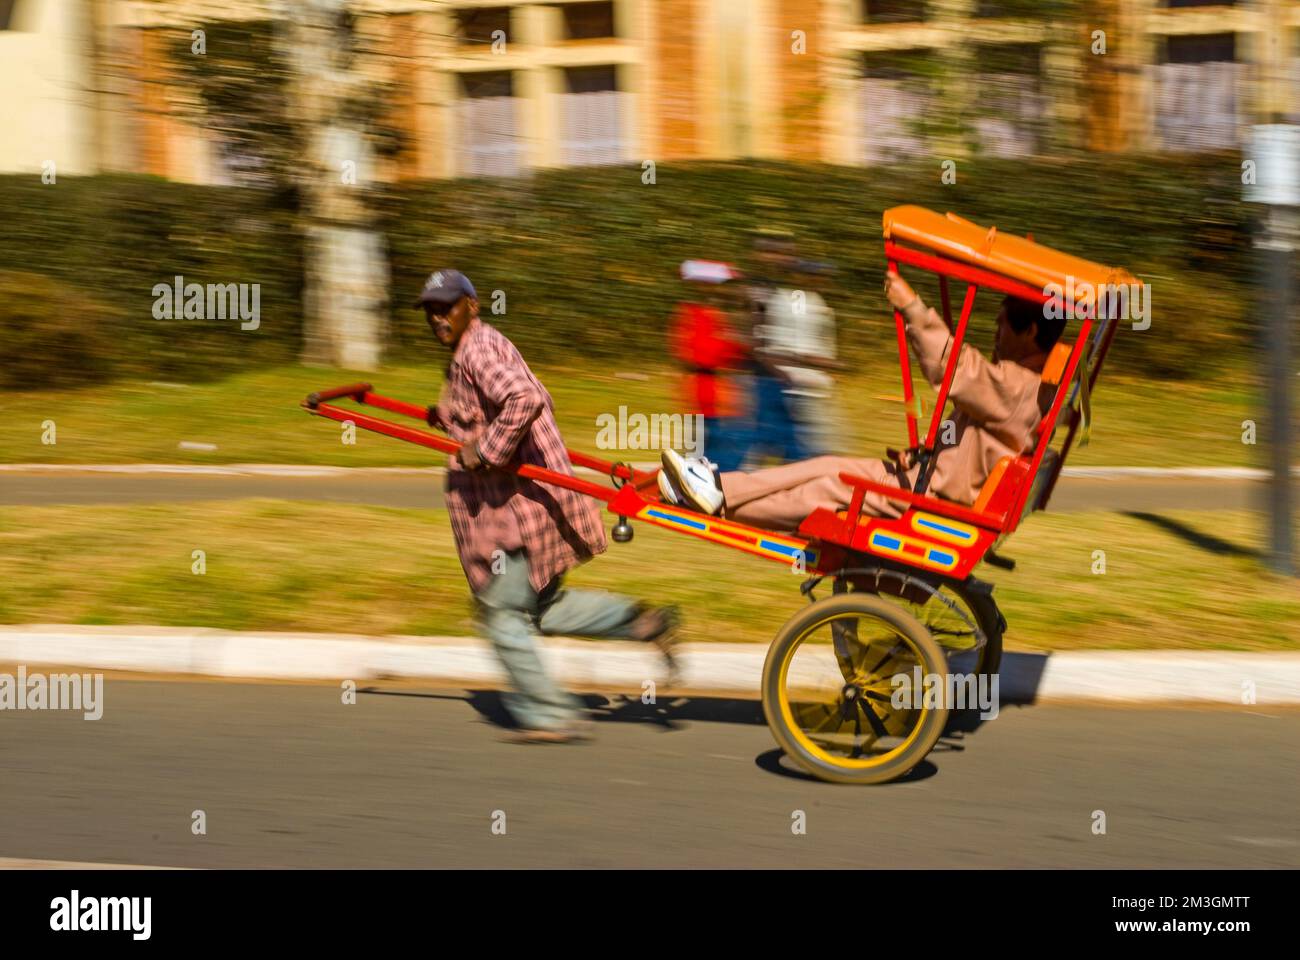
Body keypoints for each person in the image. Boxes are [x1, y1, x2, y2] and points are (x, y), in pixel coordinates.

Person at [417, 268, 679, 744]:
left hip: (516, 518)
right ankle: (637, 621)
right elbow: (489, 405)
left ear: (471, 306)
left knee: (501, 615)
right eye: (431, 311)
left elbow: (523, 397)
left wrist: (487, 449)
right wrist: (451, 417)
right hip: (525, 511)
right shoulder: (473, 349)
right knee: (541, 608)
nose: (438, 318)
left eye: (447, 306)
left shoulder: (477, 349)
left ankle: (549, 715)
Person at [656, 269, 1066, 533]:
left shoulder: (1019, 386)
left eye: (1001, 326)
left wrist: (913, 308)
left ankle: (718, 502)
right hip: (936, 484)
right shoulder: (1028, 387)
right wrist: (924, 453)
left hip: (937, 499)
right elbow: (968, 428)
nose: (995, 335)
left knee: (824, 487)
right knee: (826, 467)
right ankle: (718, 491)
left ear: (1029, 331)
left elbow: (955, 368)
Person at [668, 260, 752, 471]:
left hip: (717, 395)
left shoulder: (712, 315)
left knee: (712, 454)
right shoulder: (695, 315)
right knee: (706, 457)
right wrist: (733, 346)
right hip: (704, 395)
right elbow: (705, 353)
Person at [759, 258, 842, 456]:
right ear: (800, 276)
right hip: (795, 387)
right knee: (803, 450)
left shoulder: (818, 303)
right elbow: (784, 348)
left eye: (821, 276)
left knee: (812, 450)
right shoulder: (787, 301)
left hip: (815, 387)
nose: (819, 280)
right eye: (814, 275)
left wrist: (829, 367)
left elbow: (824, 344)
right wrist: (816, 361)